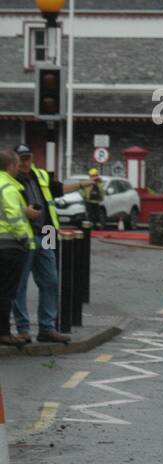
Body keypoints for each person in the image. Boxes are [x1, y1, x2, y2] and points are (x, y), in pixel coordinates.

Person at [13, 144, 93, 344]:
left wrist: (83, 184)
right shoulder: (8, 179)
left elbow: (59, 189)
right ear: (14, 160)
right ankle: (23, 329)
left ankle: (47, 328)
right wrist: (25, 212)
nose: (25, 162)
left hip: (47, 232)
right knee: (20, 284)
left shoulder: (40, 175)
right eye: (21, 158)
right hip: (25, 235)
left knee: (50, 281)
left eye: (28, 157)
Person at [0, 150, 39, 347]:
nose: (21, 165)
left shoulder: (34, 179)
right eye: (18, 163)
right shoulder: (8, 186)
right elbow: (13, 217)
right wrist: (24, 239)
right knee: (8, 291)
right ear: (10, 166)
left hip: (46, 232)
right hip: (11, 244)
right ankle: (5, 333)